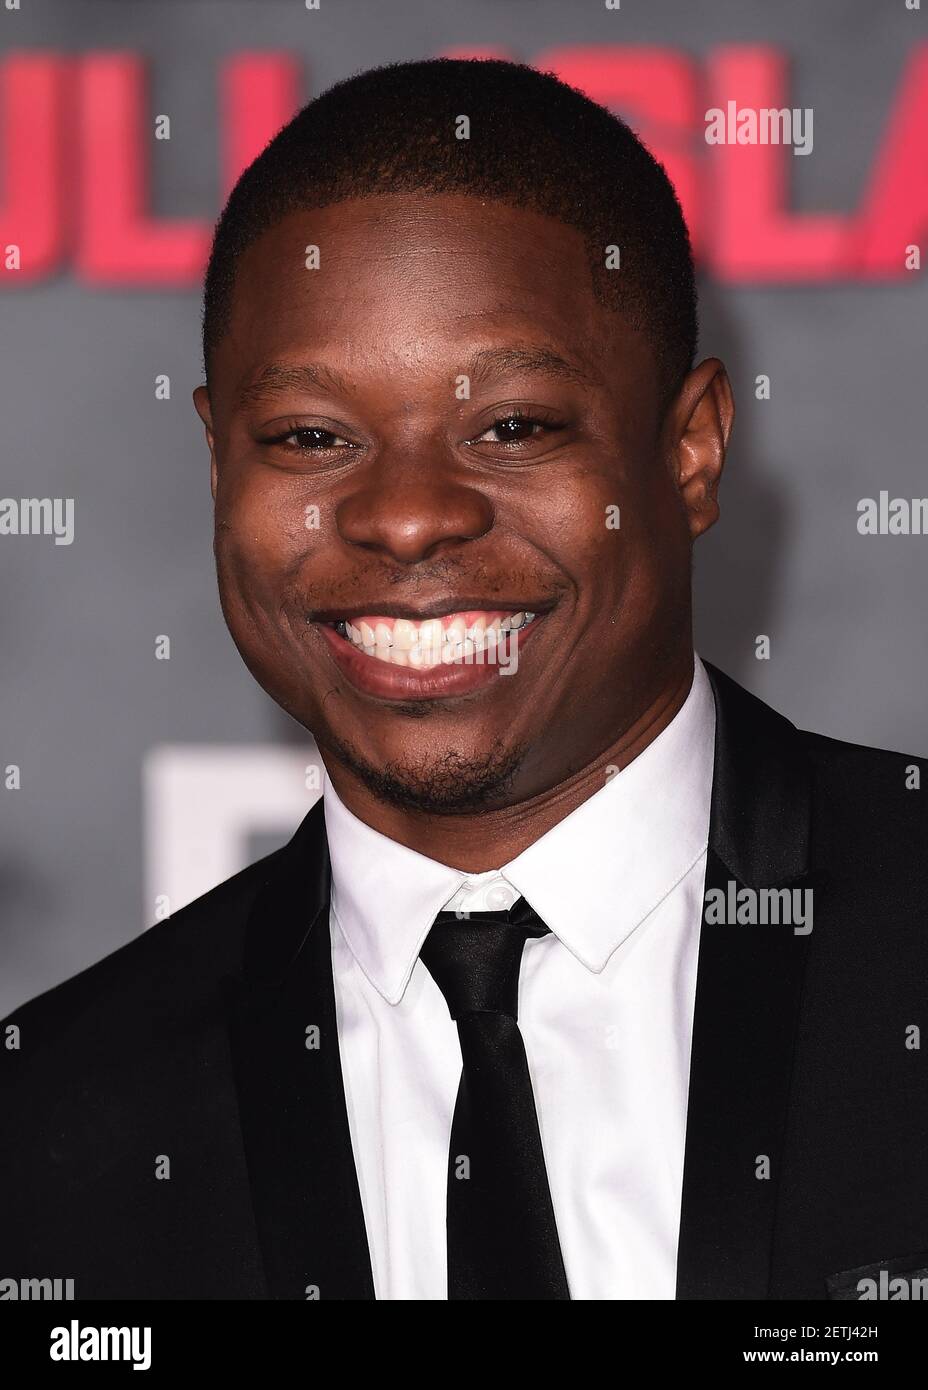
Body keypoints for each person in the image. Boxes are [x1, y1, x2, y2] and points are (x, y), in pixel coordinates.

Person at [2, 57, 925, 1302]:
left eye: (512, 426)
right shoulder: (54, 1126)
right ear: (220, 469)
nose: (405, 516)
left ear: (691, 449)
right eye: (311, 438)